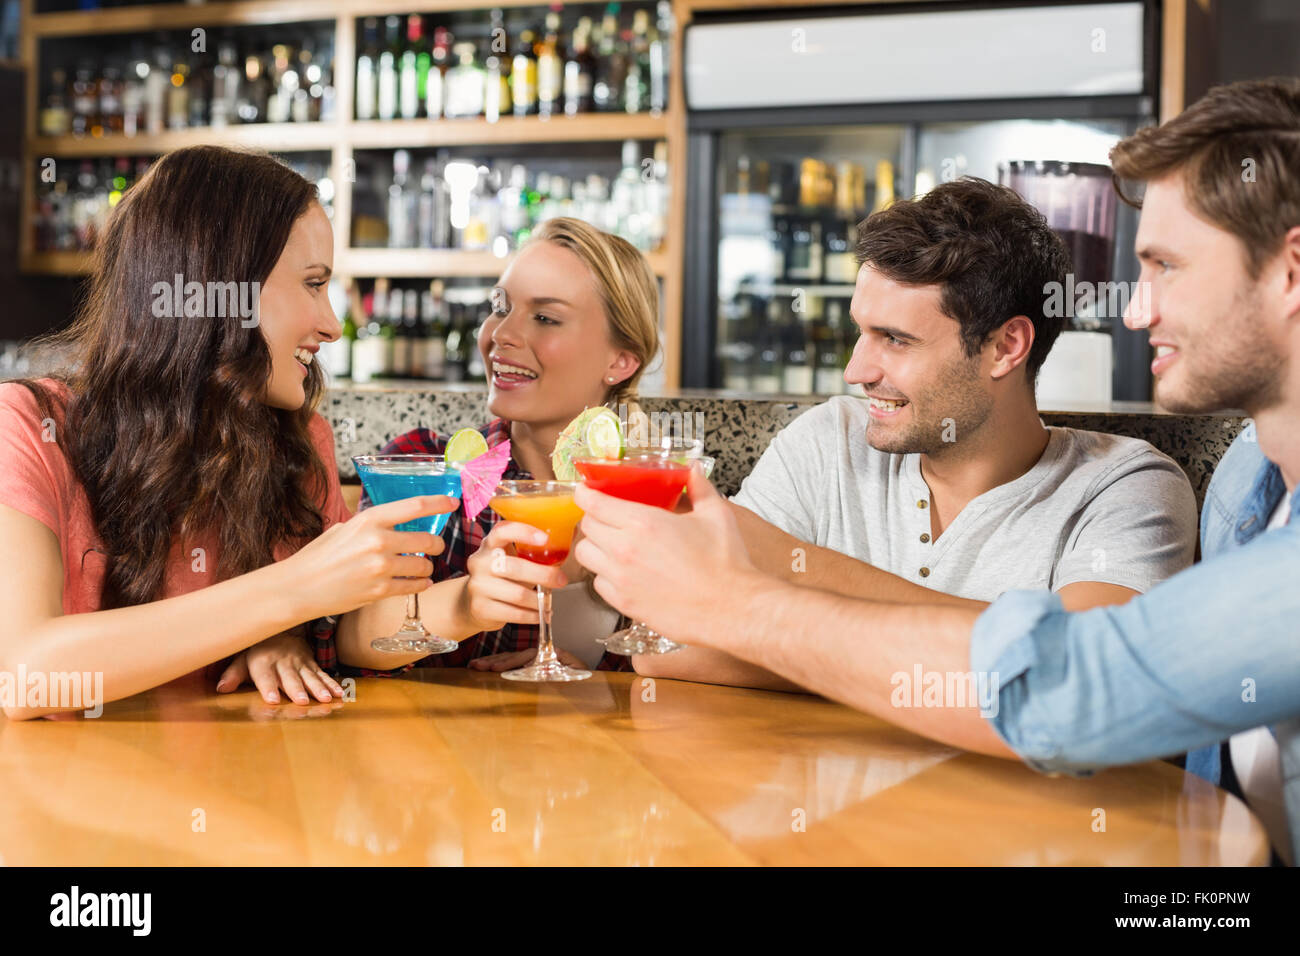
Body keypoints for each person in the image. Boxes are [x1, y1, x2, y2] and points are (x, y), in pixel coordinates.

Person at [573, 77, 1300, 865]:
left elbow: (1076, 685)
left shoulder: (1134, 487)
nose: (1133, 309)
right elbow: (669, 646)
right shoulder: (1246, 487)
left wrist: (746, 601)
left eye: (1169, 267)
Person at [633, 177, 1197, 692]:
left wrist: (792, 567)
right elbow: (671, 646)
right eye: (861, 333)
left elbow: (1080, 673)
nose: (857, 371)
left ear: (1006, 347)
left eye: (895, 339)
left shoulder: (1124, 487)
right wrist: (977, 665)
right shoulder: (828, 440)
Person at [0, 146, 456, 718]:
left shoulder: (299, 438)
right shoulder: (29, 427)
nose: (331, 326)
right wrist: (289, 593)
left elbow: (343, 629)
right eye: (313, 284)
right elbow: (24, 680)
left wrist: (287, 633)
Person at [331, 217, 659, 675]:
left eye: (545, 317)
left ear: (620, 361)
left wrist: (594, 685)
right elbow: (348, 637)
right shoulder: (427, 463)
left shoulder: (658, 498)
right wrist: (464, 606)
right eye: (500, 307)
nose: (501, 335)